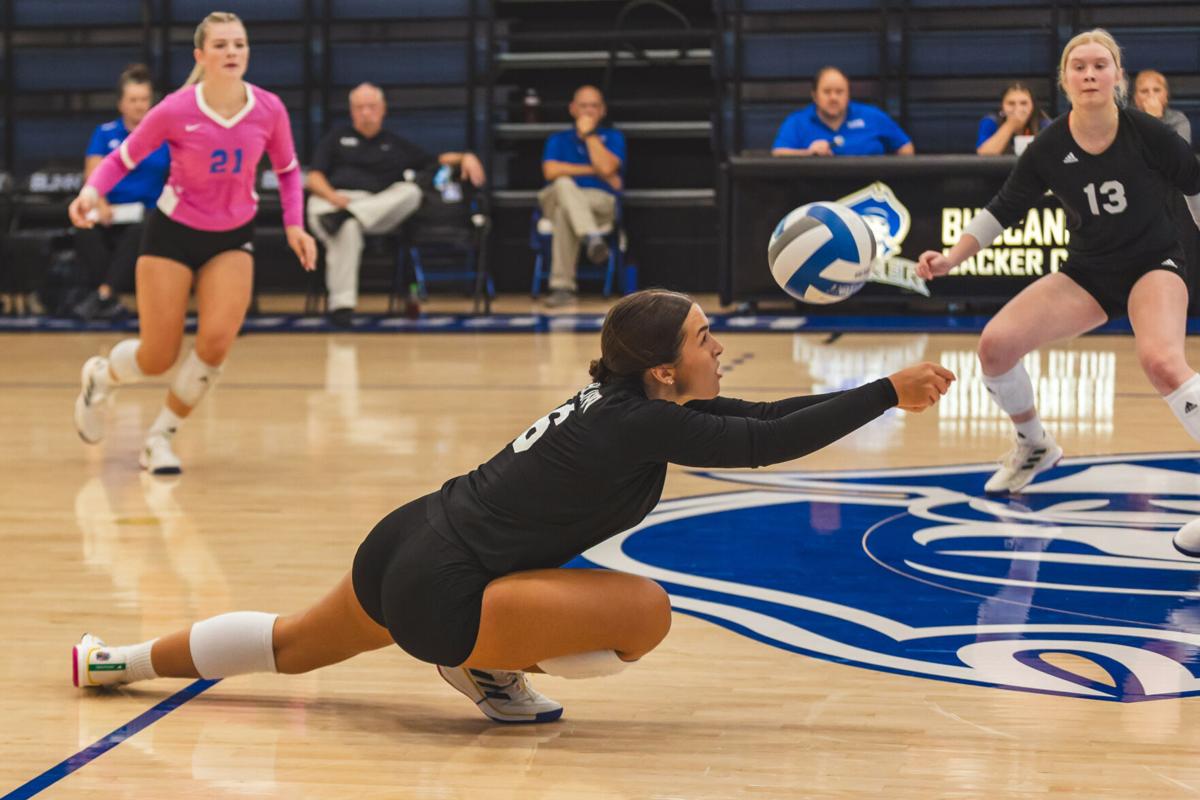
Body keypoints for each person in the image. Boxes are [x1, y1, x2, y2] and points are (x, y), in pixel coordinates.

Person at [70, 289, 955, 723]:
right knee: (644, 614)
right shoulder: (638, 427)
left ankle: (113, 661)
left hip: (412, 536)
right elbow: (764, 446)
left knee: (291, 644)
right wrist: (885, 390)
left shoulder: (637, 409)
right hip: (447, 588)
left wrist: (880, 389)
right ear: (660, 369)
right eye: (702, 340)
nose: (718, 349)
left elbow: (759, 418)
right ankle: (484, 664)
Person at [913, 30, 1200, 552]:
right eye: (1079, 67)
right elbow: (1003, 208)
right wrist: (951, 257)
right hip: (1090, 271)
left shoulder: (1148, 133)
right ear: (1064, 80)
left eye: (1100, 65)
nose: (1089, 74)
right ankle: (1033, 444)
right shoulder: (1049, 146)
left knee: (1161, 361)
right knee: (995, 346)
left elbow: (1195, 184)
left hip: (1153, 263)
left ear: (1118, 76)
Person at [68, 11, 316, 475]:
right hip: (173, 233)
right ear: (201, 55)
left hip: (231, 236)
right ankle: (100, 375)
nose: (231, 53)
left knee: (216, 343)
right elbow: (121, 158)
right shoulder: (176, 109)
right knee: (158, 355)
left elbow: (286, 171)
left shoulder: (268, 108)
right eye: (220, 45)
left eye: (239, 44)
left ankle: (159, 438)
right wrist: (90, 192)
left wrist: (294, 224)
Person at [306, 83, 486, 327]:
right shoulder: (335, 138)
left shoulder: (395, 144)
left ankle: (350, 215)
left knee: (411, 191)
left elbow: (435, 160)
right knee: (346, 230)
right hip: (334, 202)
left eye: (371, 107)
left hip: (374, 208)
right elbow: (313, 178)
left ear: (383, 110)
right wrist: (333, 197)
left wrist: (466, 156)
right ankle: (342, 307)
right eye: (360, 107)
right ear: (351, 111)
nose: (366, 112)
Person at [73, 64, 170, 321]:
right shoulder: (105, 134)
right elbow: (93, 173)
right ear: (121, 104)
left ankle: (104, 295)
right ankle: (107, 298)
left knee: (142, 230)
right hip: (109, 209)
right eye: (133, 100)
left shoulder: (164, 137)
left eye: (144, 99)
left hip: (147, 213)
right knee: (83, 227)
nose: (140, 105)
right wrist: (100, 202)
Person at [539, 85, 626, 308]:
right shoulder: (558, 139)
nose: (588, 111)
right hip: (556, 195)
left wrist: (589, 135)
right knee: (562, 184)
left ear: (603, 110)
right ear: (572, 109)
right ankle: (592, 238)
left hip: (599, 203)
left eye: (594, 106)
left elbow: (607, 168)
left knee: (563, 212)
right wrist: (592, 170)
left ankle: (562, 288)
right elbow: (550, 172)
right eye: (583, 105)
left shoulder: (613, 137)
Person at [771, 66, 914, 158]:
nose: (833, 98)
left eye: (839, 92)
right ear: (814, 95)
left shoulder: (873, 116)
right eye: (827, 92)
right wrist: (808, 153)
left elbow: (905, 147)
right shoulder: (797, 122)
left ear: (848, 95)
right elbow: (778, 153)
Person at [975, 82, 1052, 156]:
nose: (1018, 108)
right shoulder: (991, 122)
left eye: (1024, 103)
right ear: (1002, 106)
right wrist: (1010, 125)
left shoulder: (1045, 124)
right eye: (1011, 103)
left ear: (1032, 106)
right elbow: (985, 154)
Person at [1133, 69, 1192, 144]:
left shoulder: (1178, 120)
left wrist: (1155, 119)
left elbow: (1179, 153)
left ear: (1166, 96)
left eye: (1157, 90)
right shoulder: (1127, 121)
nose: (1151, 95)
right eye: (1144, 91)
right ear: (1136, 98)